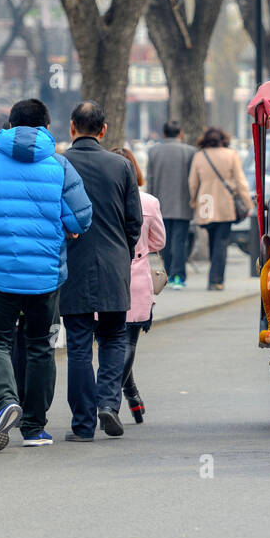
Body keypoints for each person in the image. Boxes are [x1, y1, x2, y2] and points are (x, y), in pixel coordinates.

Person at [0, 98, 93, 452]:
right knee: (40, 347)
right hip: (46, 276)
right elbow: (81, 219)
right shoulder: (60, 166)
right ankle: (34, 428)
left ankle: (5, 402)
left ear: (8, 126)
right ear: (46, 128)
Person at [59, 101, 143, 443]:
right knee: (113, 337)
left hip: (73, 263)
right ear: (103, 130)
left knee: (78, 345)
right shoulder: (121, 166)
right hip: (113, 263)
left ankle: (82, 424)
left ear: (72, 127)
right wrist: (121, 247)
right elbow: (134, 221)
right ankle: (108, 403)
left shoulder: (58, 165)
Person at [112, 146, 167, 424]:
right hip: (137, 277)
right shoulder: (148, 202)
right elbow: (159, 242)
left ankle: (130, 397)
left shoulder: (101, 199)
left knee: (113, 342)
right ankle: (109, 401)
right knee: (127, 341)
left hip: (107, 276)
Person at [188, 127, 251, 291]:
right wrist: (247, 203)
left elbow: (193, 182)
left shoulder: (199, 156)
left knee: (212, 240)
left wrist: (193, 200)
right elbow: (240, 181)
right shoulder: (231, 155)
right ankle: (216, 280)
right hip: (225, 204)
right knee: (221, 242)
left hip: (205, 203)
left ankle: (214, 277)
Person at [148, 120, 195, 289]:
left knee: (163, 242)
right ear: (180, 133)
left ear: (164, 133)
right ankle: (179, 276)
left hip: (159, 204)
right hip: (183, 203)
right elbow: (192, 179)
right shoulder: (190, 152)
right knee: (180, 241)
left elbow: (151, 179)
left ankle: (167, 273)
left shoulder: (153, 152)